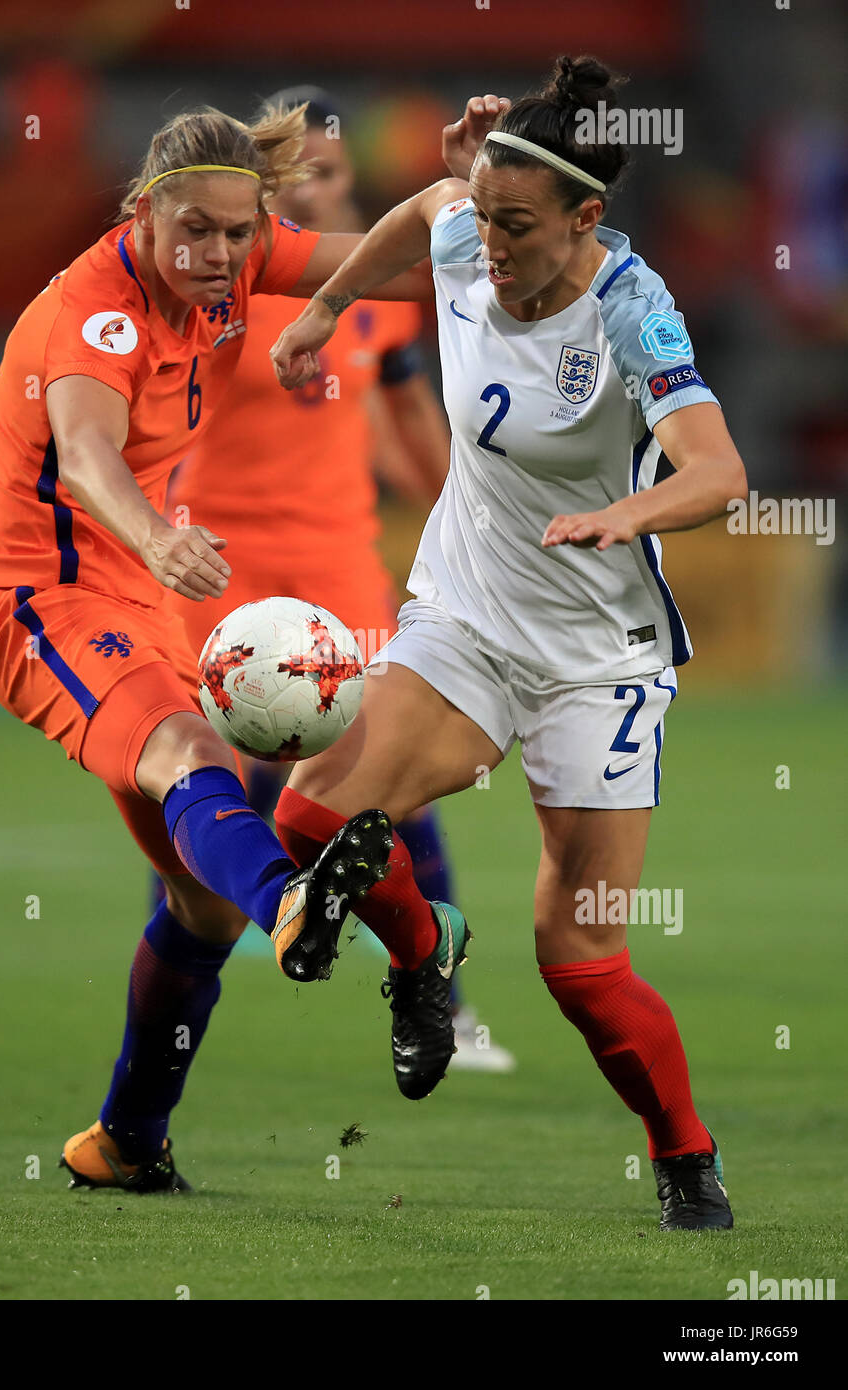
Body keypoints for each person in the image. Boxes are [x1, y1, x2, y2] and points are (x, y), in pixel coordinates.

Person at [270, 59, 748, 1231]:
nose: (485, 238)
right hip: (467, 618)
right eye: (481, 210)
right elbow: (416, 214)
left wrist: (619, 515)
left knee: (579, 963)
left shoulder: (631, 310)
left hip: (596, 654)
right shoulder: (464, 234)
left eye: (515, 222)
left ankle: (683, 1155)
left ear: (586, 219)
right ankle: (424, 951)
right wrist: (327, 307)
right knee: (308, 813)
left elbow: (719, 474)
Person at [0, 100, 470, 1195]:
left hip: (141, 601)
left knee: (194, 897)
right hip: (44, 599)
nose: (220, 255)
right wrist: (155, 535)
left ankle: (126, 1140)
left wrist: (465, 190)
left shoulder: (235, 269)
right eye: (195, 230)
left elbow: (405, 257)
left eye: (240, 235)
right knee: (194, 755)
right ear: (143, 213)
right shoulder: (94, 314)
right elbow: (89, 449)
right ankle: (296, 901)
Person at [167, 85, 515, 1074]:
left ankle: (436, 993)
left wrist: (481, 521)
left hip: (335, 572)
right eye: (300, 173)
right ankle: (197, 995)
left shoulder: (372, 297)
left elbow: (405, 434)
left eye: (333, 171)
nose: (319, 188)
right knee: (206, 781)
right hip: (217, 571)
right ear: (267, 185)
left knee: (384, 778)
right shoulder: (220, 288)